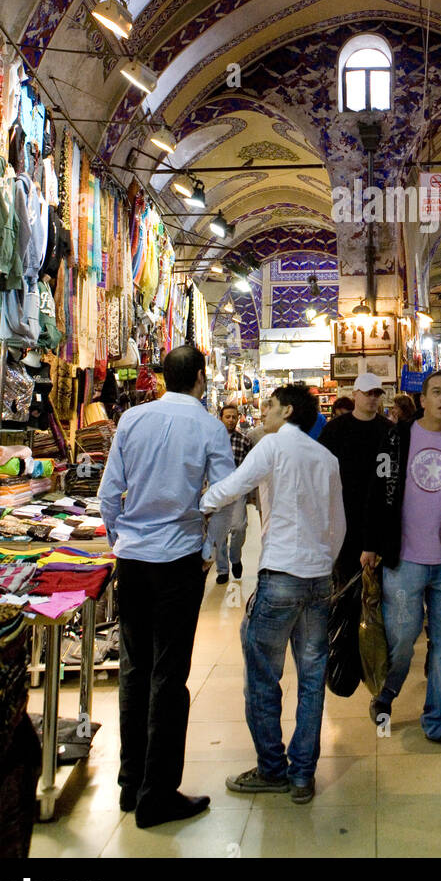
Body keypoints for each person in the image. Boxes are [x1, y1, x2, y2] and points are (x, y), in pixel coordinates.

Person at [98, 344, 236, 829]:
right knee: (168, 674)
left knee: (134, 670)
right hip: (177, 559)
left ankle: (130, 783)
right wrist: (208, 551)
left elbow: (108, 492)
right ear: (200, 376)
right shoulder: (209, 427)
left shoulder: (133, 420)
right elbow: (223, 498)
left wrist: (121, 539)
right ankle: (157, 794)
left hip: (132, 560)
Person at [201, 384, 345, 805]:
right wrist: (323, 563)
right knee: (312, 678)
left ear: (286, 410)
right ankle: (303, 775)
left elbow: (232, 487)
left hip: (281, 575)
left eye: (269, 404)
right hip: (319, 580)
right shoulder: (327, 458)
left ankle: (271, 768)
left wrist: (195, 504)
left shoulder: (273, 445)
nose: (262, 410)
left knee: (263, 676)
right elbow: (339, 525)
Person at [361, 370, 441, 752]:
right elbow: (375, 490)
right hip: (405, 559)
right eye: (437, 393)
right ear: (422, 399)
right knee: (402, 638)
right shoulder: (397, 438)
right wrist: (370, 543)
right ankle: (388, 690)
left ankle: (439, 720)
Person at [319, 372, 392, 584]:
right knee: (347, 578)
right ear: (355, 395)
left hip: (379, 514)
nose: (372, 398)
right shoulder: (335, 429)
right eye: (368, 393)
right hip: (344, 512)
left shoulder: (388, 431)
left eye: (376, 394)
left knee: (379, 583)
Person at [210, 403, 253, 584]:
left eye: (234, 417)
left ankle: (235, 557)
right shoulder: (211, 441)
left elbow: (250, 467)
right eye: (227, 417)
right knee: (219, 534)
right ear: (221, 418)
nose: (231, 420)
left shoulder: (244, 441)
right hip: (217, 491)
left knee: (239, 527)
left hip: (237, 492)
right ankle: (222, 569)